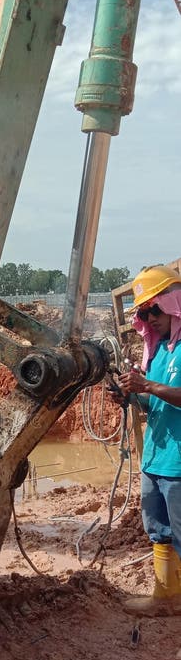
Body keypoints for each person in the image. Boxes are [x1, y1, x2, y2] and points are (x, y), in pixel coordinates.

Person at [114, 264, 181, 616]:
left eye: (153, 308)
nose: (148, 317)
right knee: (159, 531)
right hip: (156, 458)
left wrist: (148, 386)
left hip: (179, 463)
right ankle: (166, 598)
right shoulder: (158, 351)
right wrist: (130, 395)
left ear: (172, 303)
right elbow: (154, 400)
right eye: (142, 312)